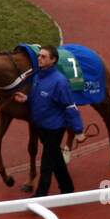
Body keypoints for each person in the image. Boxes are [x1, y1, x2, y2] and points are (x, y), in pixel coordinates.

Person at [14, 45, 83, 197]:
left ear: (53, 61)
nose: (40, 58)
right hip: (41, 126)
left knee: (47, 163)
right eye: (40, 56)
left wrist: (78, 130)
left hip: (55, 128)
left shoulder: (60, 82)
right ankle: (67, 188)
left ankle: (41, 195)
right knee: (56, 158)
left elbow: (70, 106)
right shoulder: (39, 76)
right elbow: (39, 98)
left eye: (44, 57)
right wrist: (26, 98)